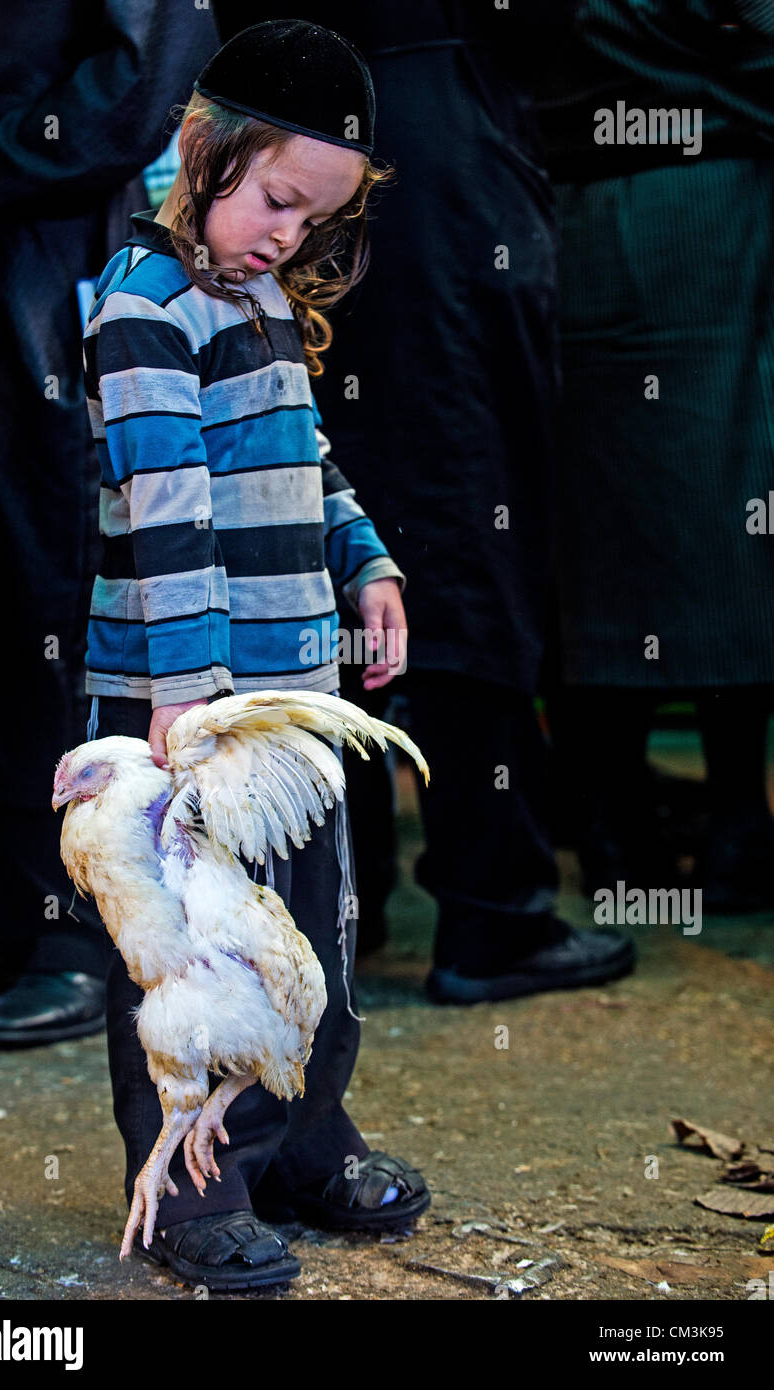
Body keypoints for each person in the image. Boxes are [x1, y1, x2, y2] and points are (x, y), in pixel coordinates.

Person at [83, 20, 430, 1293]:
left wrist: (370, 563)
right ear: (203, 147)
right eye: (277, 200)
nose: (287, 236)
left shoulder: (264, 297)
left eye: (313, 222)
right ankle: (195, 1186)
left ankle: (300, 1146)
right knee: (196, 967)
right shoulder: (143, 300)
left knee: (312, 949)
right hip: (192, 704)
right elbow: (166, 507)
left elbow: (308, 463)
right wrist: (189, 702)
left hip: (293, 711)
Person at [212, 0, 635, 1001]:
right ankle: (490, 912)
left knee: (322, 503)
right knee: (464, 507)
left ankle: (335, 897)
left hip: (290, 154)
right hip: (443, 164)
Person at [0, 0, 217, 1044]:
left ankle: (81, 935)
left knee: (48, 589)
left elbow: (141, 85)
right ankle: (19, 910)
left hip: (46, 264)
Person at [530, 0, 774, 911]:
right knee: (724, 501)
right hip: (702, 195)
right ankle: (738, 825)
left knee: (604, 517)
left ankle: (615, 825)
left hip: (565, 194)